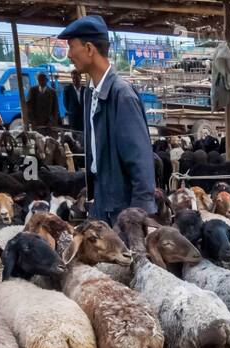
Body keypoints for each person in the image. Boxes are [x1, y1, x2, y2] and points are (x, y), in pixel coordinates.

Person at [58, 15, 155, 223]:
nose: (68, 55)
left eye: (72, 46)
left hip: (122, 207)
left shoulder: (122, 95)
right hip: (101, 201)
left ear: (90, 49)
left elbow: (141, 161)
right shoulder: (90, 93)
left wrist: (137, 216)